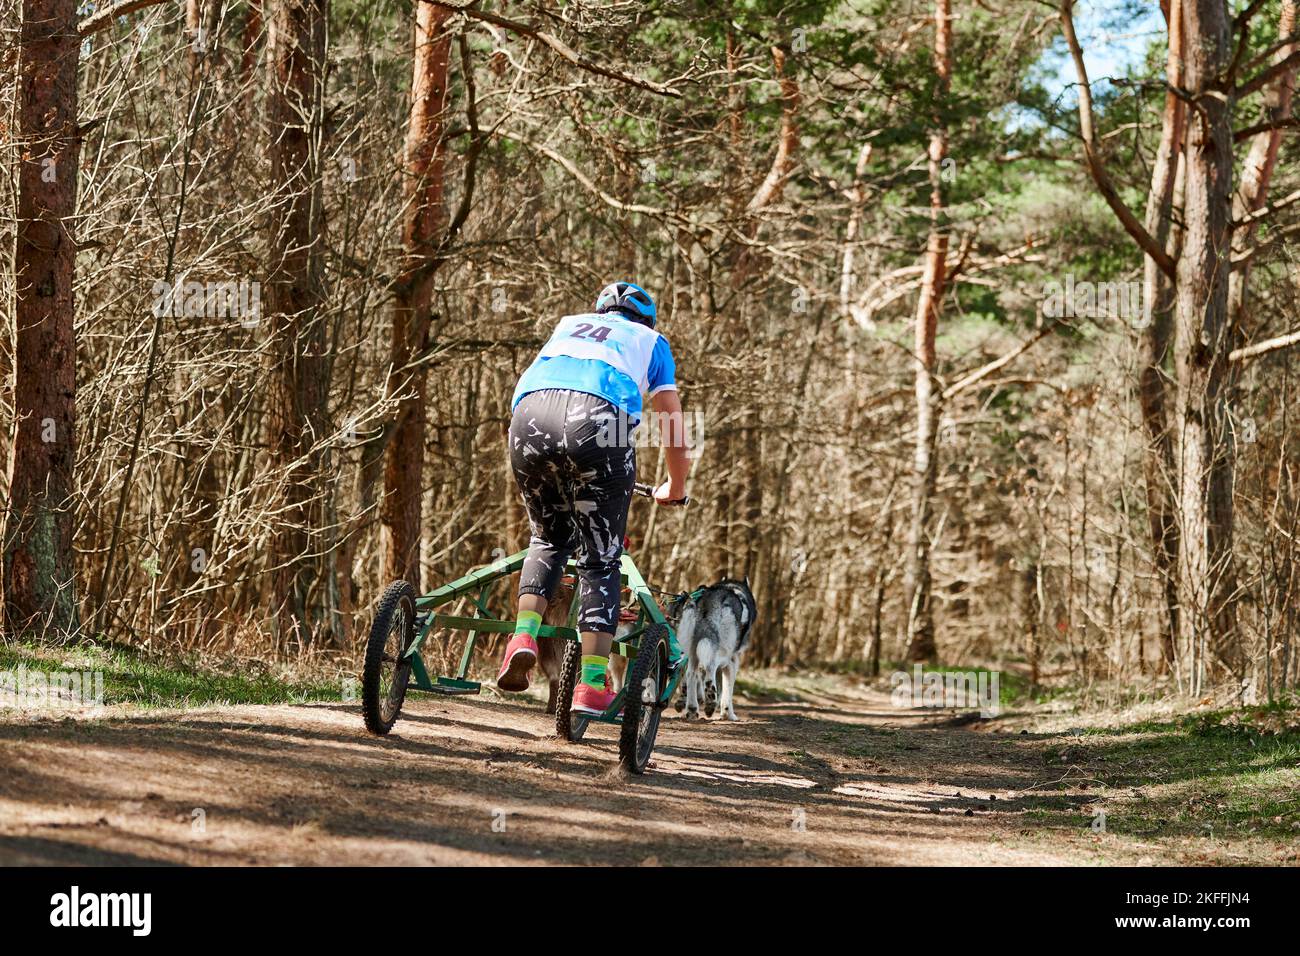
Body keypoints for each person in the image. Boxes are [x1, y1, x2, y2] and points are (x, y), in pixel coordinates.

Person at [496, 281, 691, 715]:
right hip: (599, 423)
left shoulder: (567, 327)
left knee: (547, 539)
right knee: (601, 557)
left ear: (599, 311)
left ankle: (523, 636)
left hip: (528, 419)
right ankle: (592, 684)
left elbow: (531, 392)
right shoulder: (652, 342)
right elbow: (675, 425)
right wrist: (675, 487)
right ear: (646, 319)